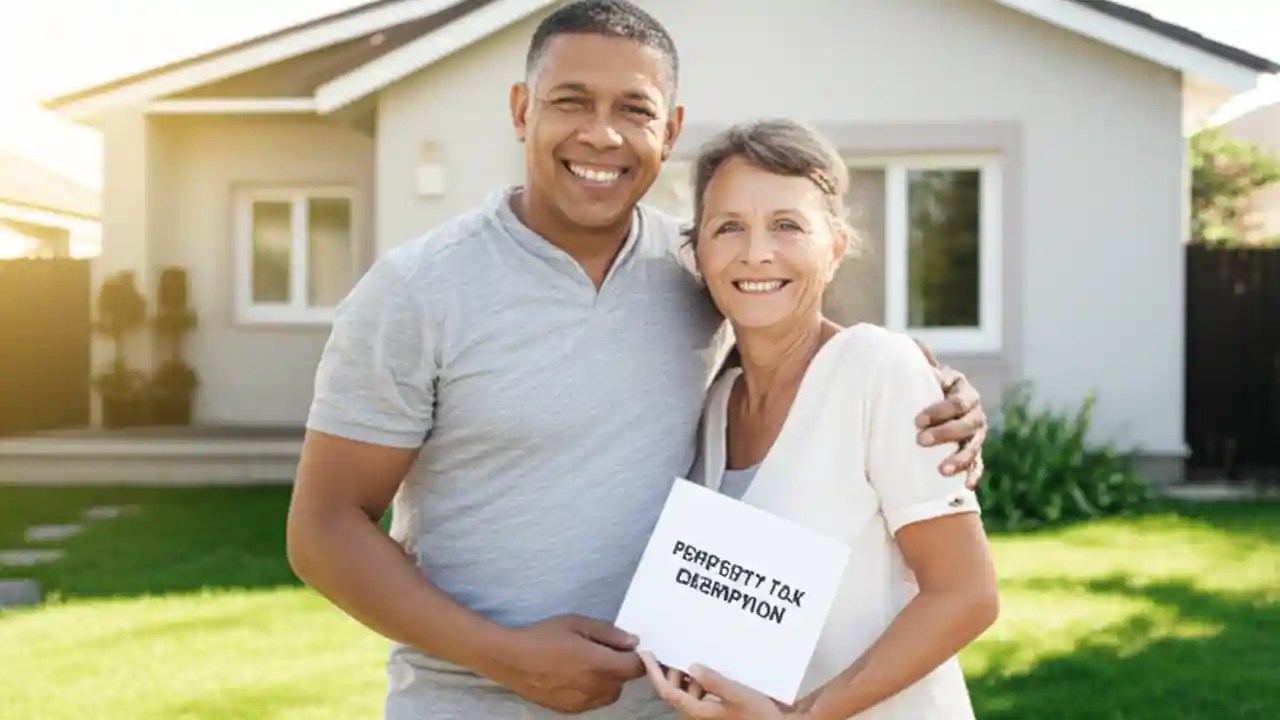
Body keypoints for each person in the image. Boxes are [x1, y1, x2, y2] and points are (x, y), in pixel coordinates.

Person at [285, 2, 989, 718]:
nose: (602, 133)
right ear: (521, 109)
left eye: (634, 109)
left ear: (670, 129)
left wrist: (925, 383)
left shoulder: (692, 269)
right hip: (471, 702)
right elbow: (324, 529)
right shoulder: (416, 291)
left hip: (664, 707)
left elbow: (800, 327)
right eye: (571, 102)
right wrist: (506, 656)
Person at [637, 119, 999, 720]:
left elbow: (967, 595)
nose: (756, 252)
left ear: (835, 246)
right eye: (730, 228)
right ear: (699, 252)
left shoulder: (878, 369)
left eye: (787, 226)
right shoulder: (716, 402)